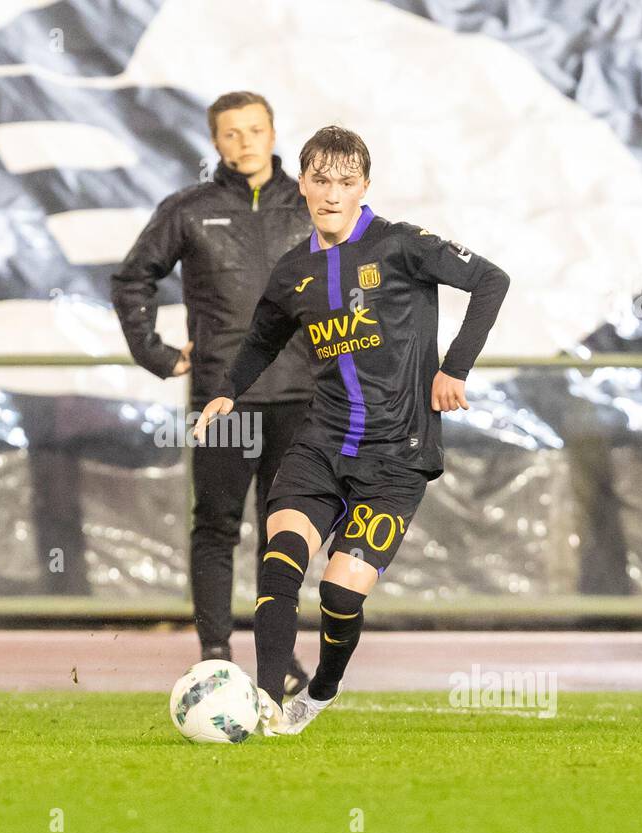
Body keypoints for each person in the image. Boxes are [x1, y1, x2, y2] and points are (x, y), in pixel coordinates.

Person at [194, 126, 510, 734]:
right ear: (304, 186)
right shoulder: (294, 271)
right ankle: (263, 696)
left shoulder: (403, 245)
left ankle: (322, 689)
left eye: (346, 182)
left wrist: (454, 369)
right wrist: (227, 390)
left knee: (339, 598)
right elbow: (262, 337)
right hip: (321, 443)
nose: (332, 193)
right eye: (321, 180)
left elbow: (492, 281)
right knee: (280, 557)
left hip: (398, 455)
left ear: (364, 186)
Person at [112, 91, 314, 691]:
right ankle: (215, 654)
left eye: (255, 130)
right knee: (217, 526)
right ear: (216, 142)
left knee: (285, 530)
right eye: (232, 133)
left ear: (274, 134)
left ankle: (279, 658)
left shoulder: (312, 206)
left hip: (302, 397)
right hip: (224, 400)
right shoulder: (188, 209)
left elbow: (362, 283)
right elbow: (132, 279)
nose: (245, 141)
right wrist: (155, 353)